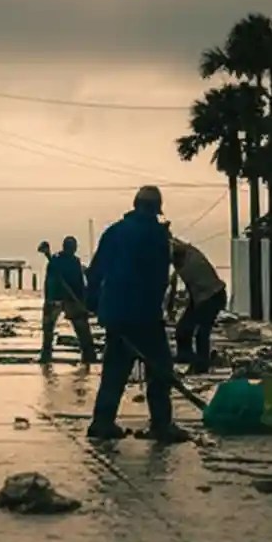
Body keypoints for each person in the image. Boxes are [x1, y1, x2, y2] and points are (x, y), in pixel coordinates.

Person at [84, 186, 189, 443]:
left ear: (134, 205)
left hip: (117, 314)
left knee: (115, 370)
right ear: (155, 209)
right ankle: (161, 424)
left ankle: (102, 422)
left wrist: (95, 304)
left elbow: (95, 272)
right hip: (144, 315)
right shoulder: (156, 235)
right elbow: (159, 279)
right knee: (160, 368)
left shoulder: (114, 232)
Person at [170, 237, 228, 374]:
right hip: (202, 297)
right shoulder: (188, 254)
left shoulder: (187, 262)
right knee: (183, 329)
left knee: (201, 333)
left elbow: (173, 284)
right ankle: (186, 358)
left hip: (212, 297)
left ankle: (201, 365)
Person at [39, 236, 97, 364]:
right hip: (57, 298)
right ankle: (46, 356)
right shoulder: (56, 261)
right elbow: (51, 282)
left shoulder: (67, 262)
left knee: (82, 329)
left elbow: (79, 283)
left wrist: (82, 302)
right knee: (49, 331)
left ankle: (88, 355)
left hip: (67, 299)